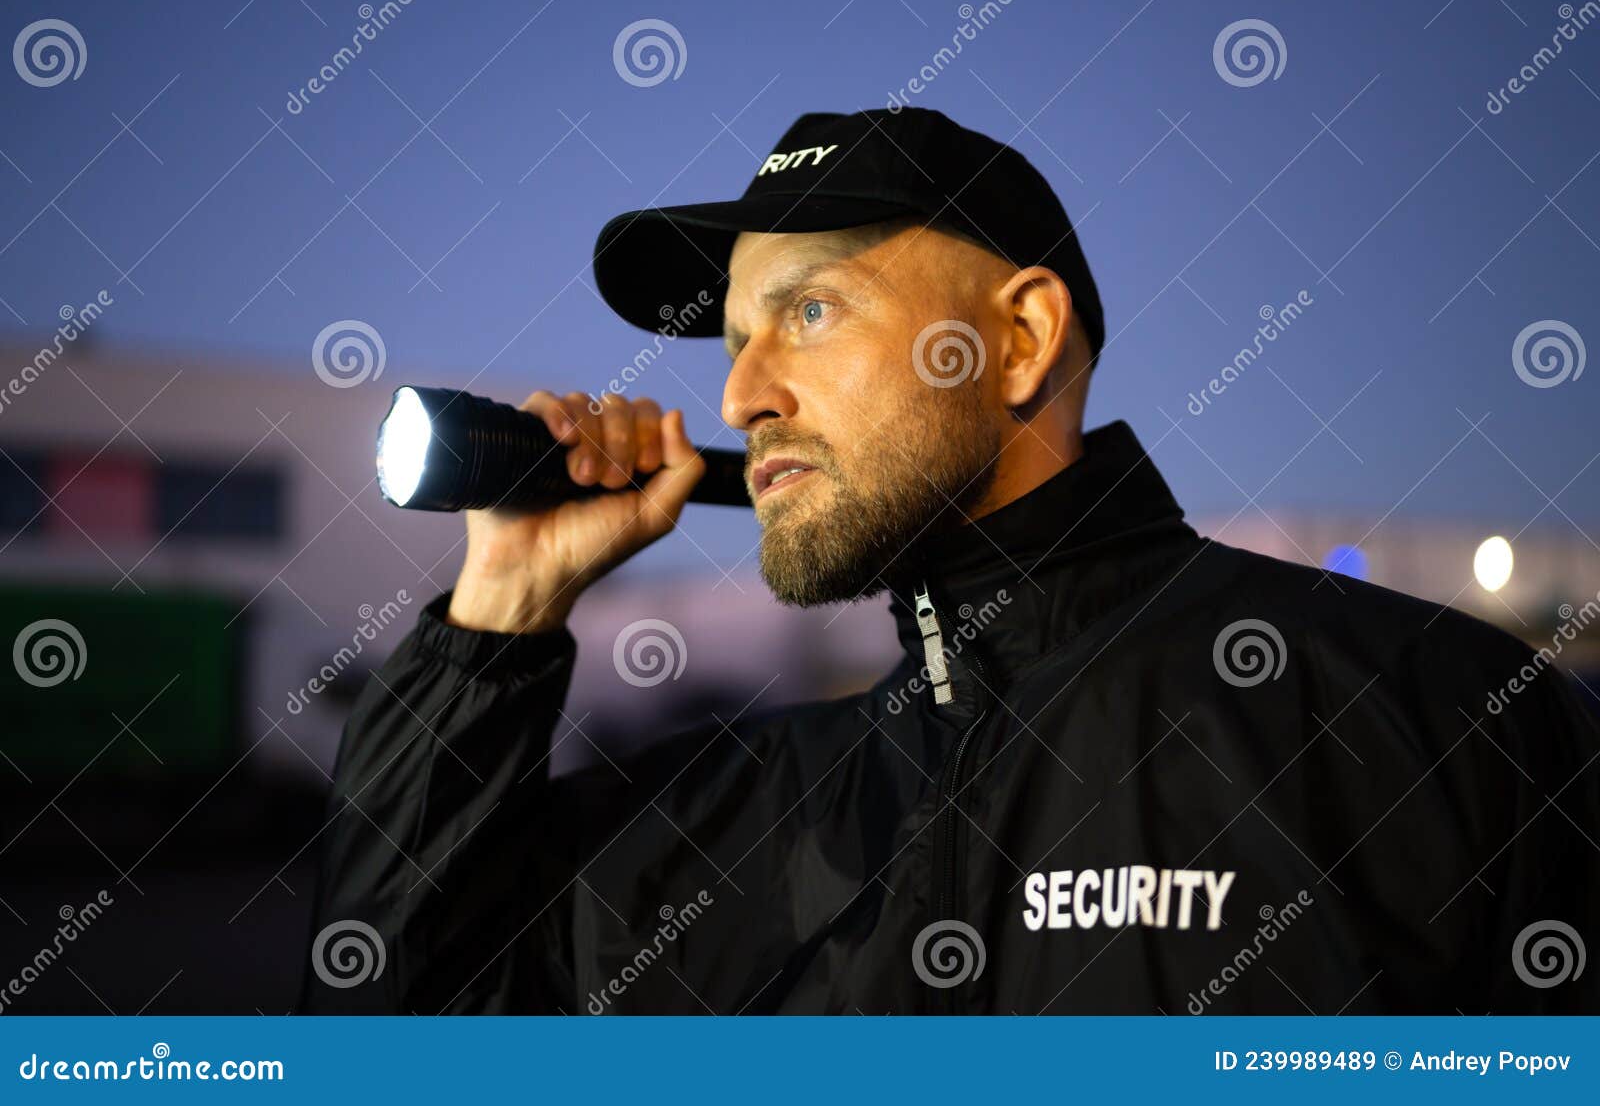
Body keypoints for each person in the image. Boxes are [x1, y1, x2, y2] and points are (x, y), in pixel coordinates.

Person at [301, 108, 1599, 1014]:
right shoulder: (724, 820)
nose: (744, 389)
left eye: (809, 310)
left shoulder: (1436, 725)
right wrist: (498, 620)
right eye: (733, 340)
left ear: (1021, 338)